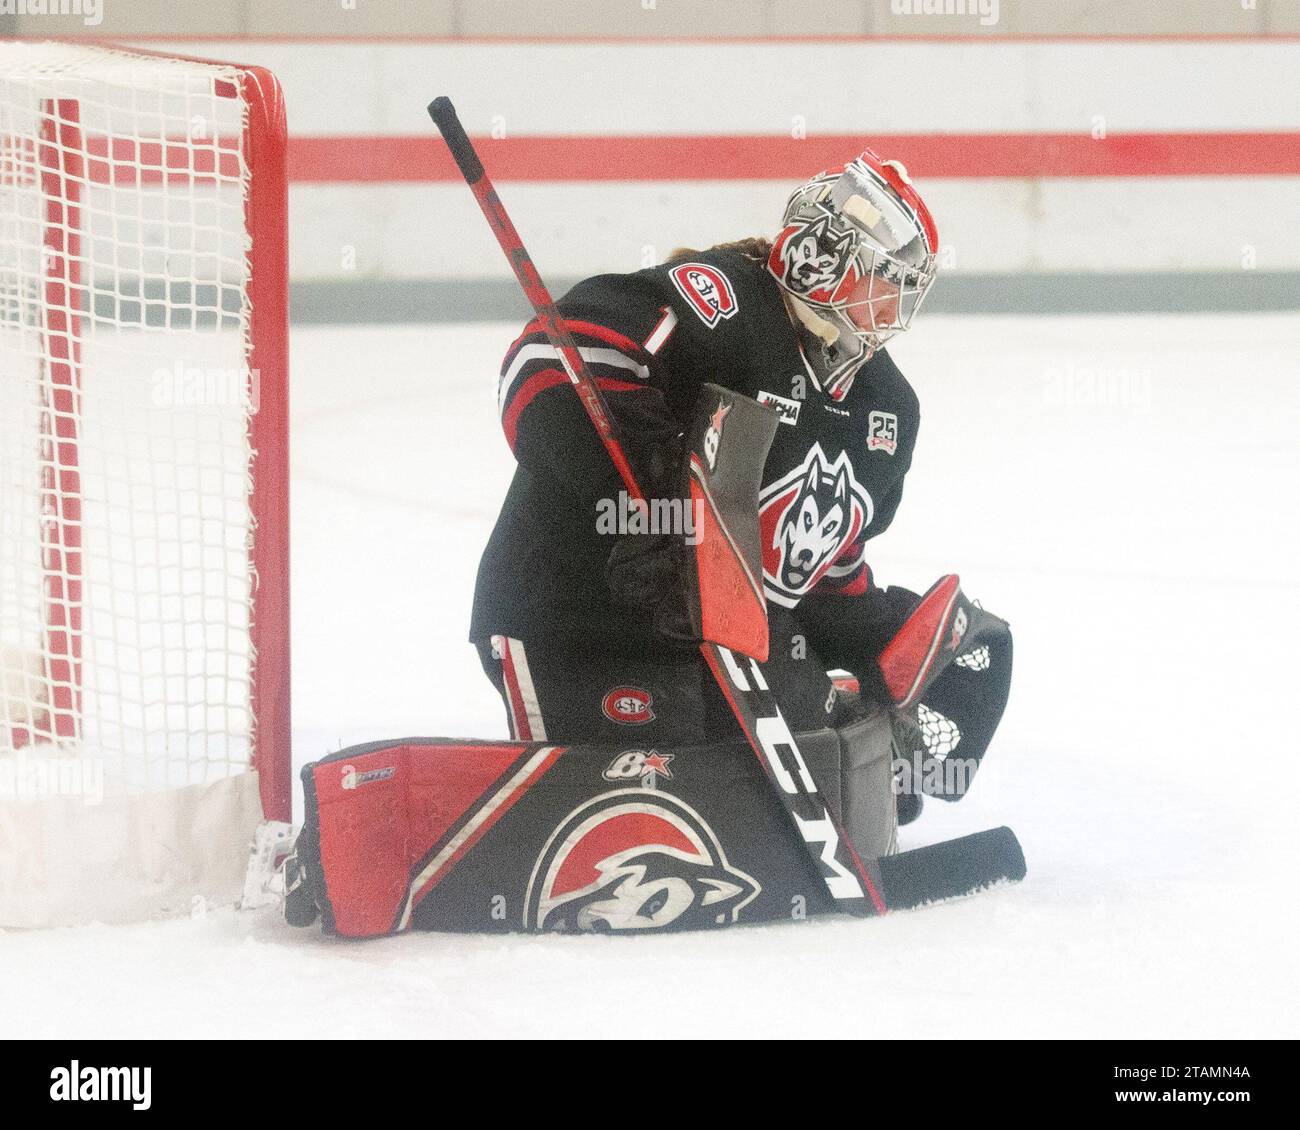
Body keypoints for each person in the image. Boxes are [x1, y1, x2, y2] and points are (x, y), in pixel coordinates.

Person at [471, 149, 940, 757]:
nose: (893, 305)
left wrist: (873, 637)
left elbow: (822, 571)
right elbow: (549, 362)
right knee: (638, 800)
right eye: (887, 278)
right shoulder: (721, 304)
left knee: (811, 776)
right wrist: (655, 501)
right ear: (829, 258)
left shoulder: (888, 410)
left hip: (717, 656)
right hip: (570, 617)